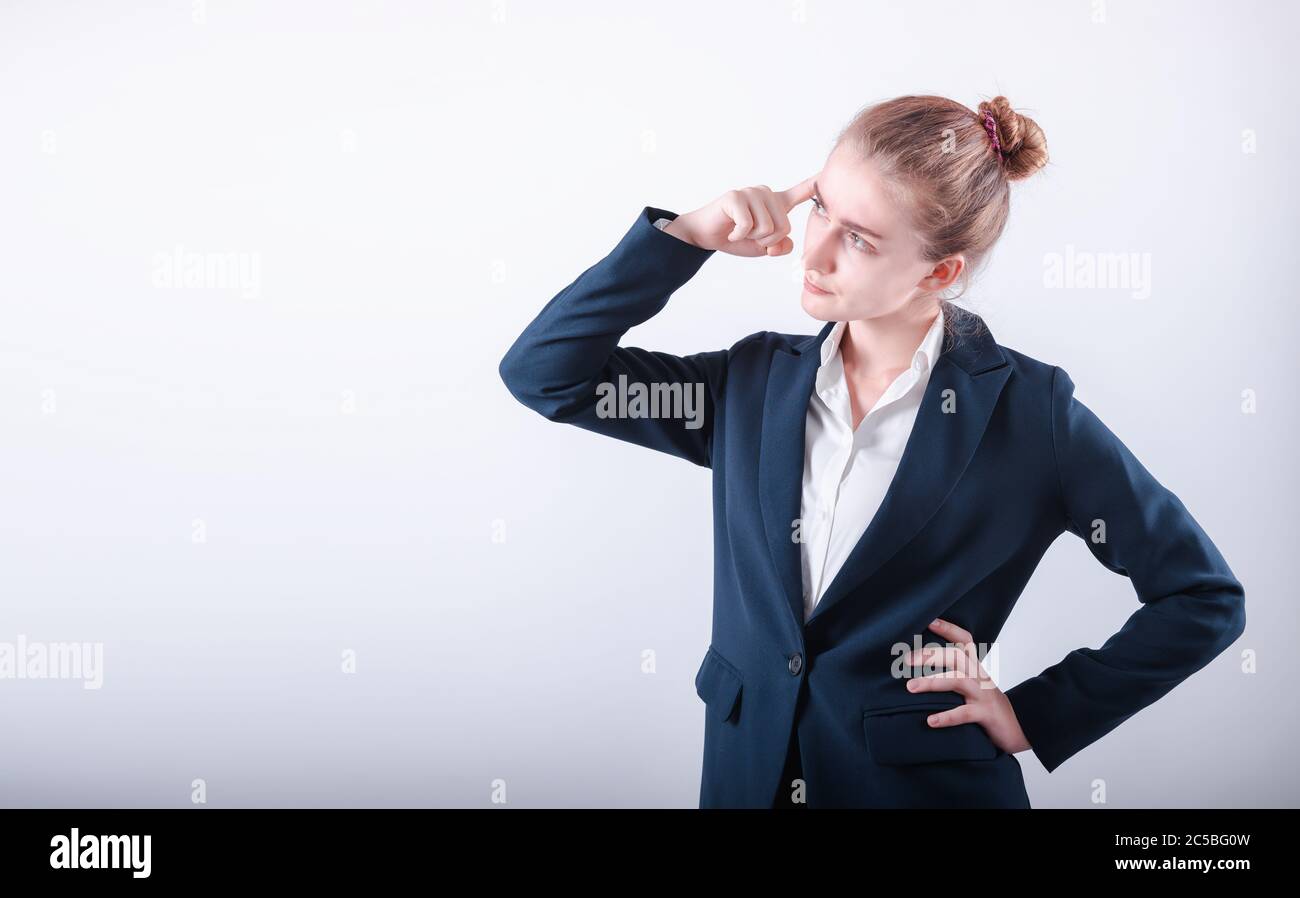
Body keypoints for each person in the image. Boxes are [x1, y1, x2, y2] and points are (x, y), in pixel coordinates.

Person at [497, 95, 1246, 809]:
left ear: (940, 271)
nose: (812, 251)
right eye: (821, 205)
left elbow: (1201, 597)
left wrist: (1034, 714)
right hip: (745, 774)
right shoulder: (752, 383)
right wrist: (686, 237)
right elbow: (545, 374)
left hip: (920, 790)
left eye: (858, 238)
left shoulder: (1030, 416)